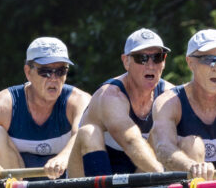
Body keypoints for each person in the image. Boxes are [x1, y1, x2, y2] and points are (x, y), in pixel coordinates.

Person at [0, 37, 91, 182]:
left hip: (68, 187)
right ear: (28, 72)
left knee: (87, 131)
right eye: (46, 71)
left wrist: (63, 157)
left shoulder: (78, 100)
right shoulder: (3, 104)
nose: (54, 78)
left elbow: (81, 136)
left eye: (61, 71)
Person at [149, 29, 216, 180]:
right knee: (192, 146)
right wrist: (192, 166)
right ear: (190, 62)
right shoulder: (169, 103)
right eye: (208, 60)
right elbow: (163, 149)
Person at [69, 28, 174, 177]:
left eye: (157, 57)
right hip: (91, 177)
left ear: (164, 61)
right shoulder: (110, 96)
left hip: (137, 177)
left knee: (167, 133)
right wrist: (161, 174)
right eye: (142, 58)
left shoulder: (170, 95)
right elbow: (131, 142)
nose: (151, 65)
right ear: (126, 62)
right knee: (88, 132)